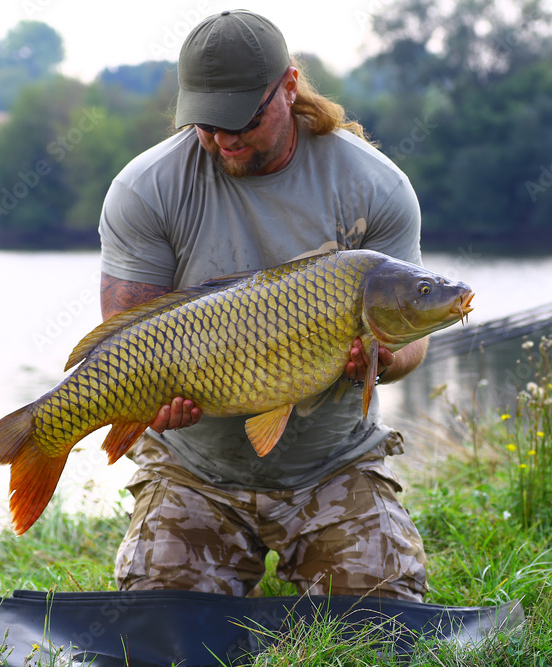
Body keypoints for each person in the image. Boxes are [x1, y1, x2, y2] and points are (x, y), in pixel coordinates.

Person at [99, 9, 429, 601]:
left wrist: (381, 357)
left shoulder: (375, 187)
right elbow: (127, 343)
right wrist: (148, 404)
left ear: (290, 88)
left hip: (334, 462)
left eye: (242, 121)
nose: (223, 139)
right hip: (192, 469)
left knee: (384, 630)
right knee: (157, 628)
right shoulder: (145, 188)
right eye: (205, 123)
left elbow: (414, 343)